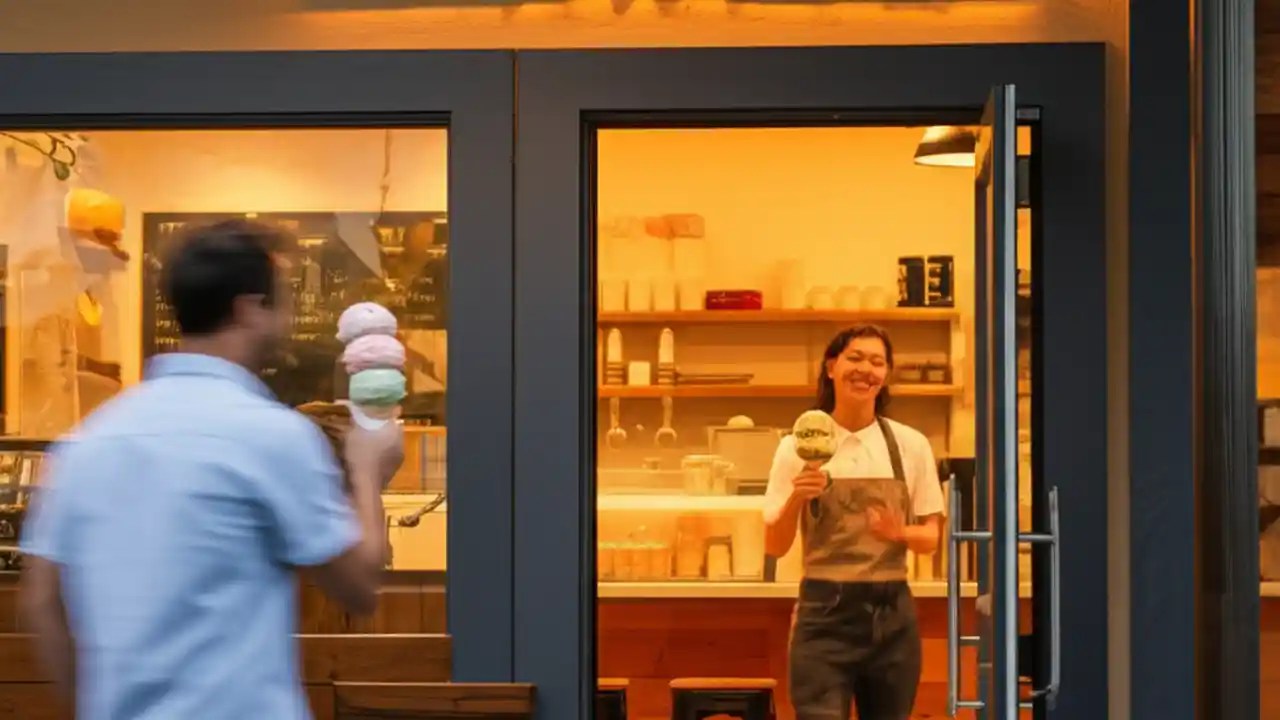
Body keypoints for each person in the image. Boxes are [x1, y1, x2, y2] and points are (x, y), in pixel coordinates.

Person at [18, 219, 403, 720]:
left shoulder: (86, 443)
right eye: (279, 301)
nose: (286, 318)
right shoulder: (271, 436)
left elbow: (42, 601)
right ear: (249, 308)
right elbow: (358, 586)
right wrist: (368, 467)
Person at [764, 324, 944, 720]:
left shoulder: (910, 445)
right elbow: (774, 545)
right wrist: (798, 496)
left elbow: (931, 537)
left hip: (892, 617)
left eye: (877, 362)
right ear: (831, 366)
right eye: (855, 358)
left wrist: (900, 532)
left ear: (886, 376)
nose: (866, 370)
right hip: (823, 614)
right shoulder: (795, 446)